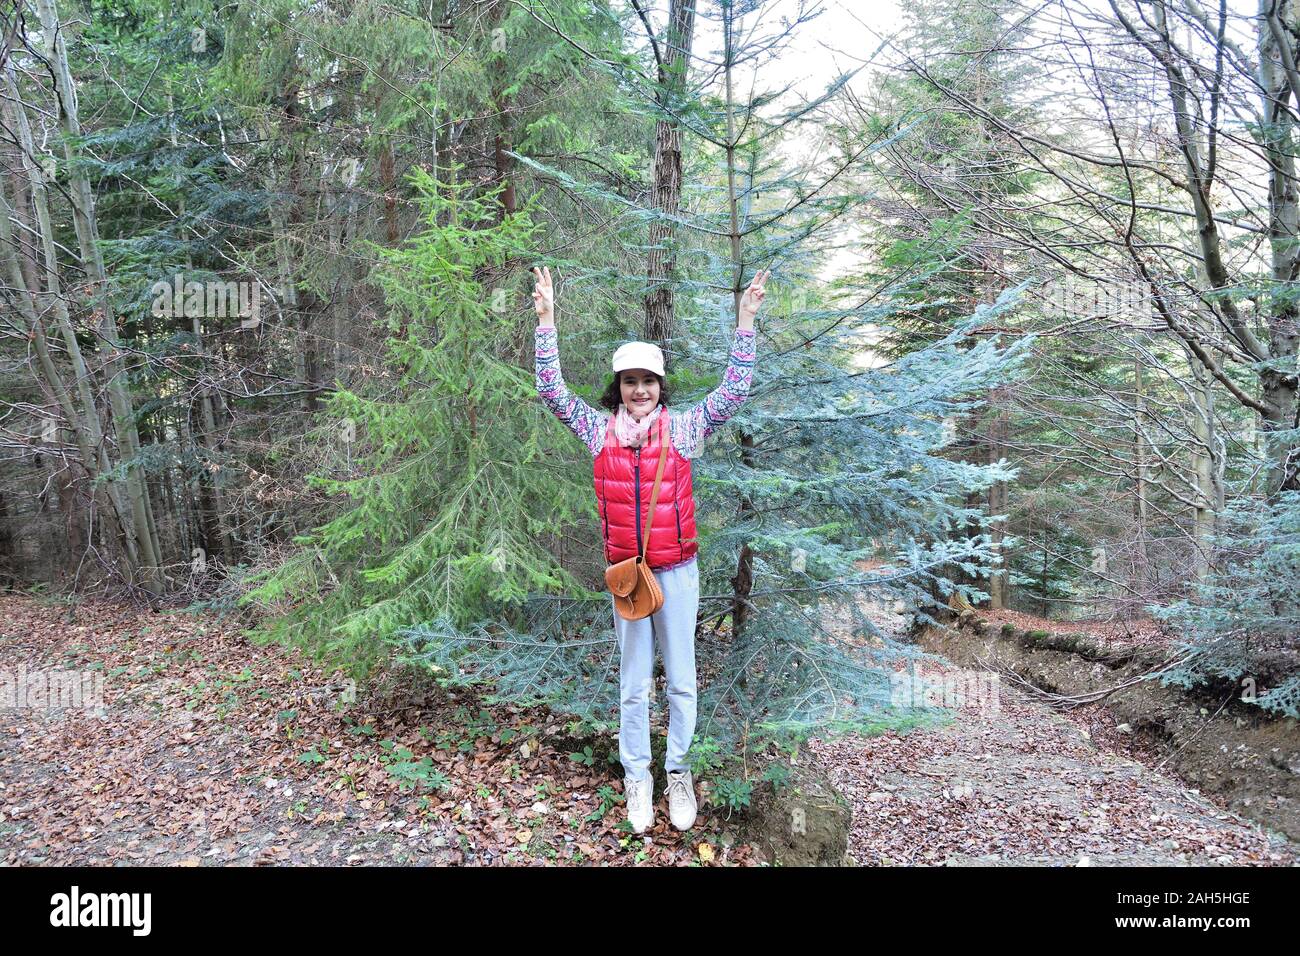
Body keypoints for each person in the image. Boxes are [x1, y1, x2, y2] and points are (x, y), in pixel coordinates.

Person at [530, 264, 768, 833]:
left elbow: (734, 391)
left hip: (679, 574)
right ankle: (638, 776)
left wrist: (745, 321)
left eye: (649, 381)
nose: (640, 391)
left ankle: (678, 771)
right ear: (618, 388)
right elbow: (550, 391)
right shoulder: (597, 432)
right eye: (630, 381)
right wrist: (546, 321)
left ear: (661, 387)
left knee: (682, 680)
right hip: (629, 578)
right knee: (634, 685)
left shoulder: (684, 429)